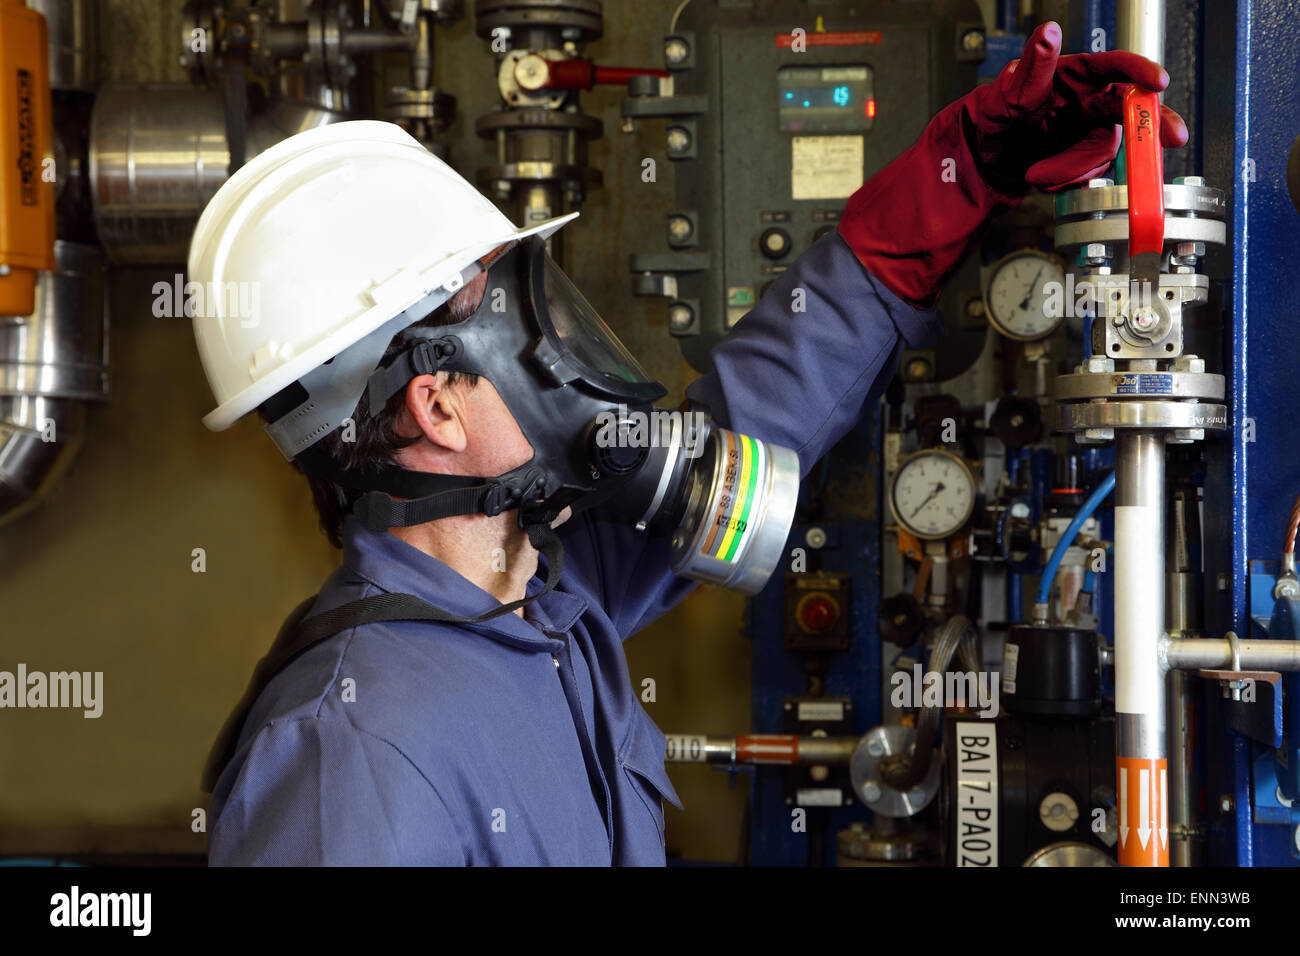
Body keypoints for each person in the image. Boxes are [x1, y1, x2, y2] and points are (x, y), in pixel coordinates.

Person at [193, 23, 1186, 865]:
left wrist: (960, 171)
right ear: (438, 407)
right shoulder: (351, 751)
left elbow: (752, 413)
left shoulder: (540, 601)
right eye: (525, 319)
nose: (568, 345)